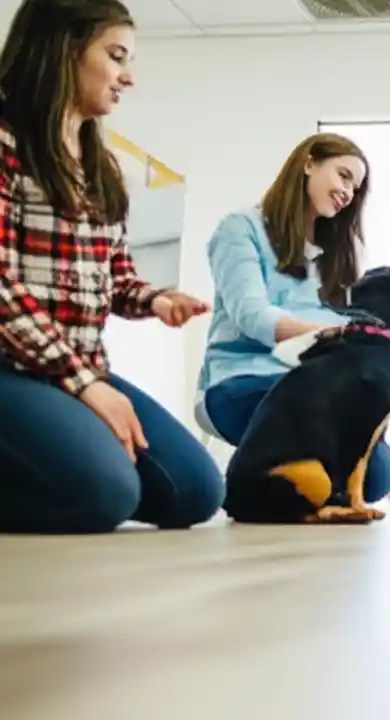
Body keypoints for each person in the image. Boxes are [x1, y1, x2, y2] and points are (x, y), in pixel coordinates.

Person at [0, 0, 223, 533]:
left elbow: (112, 274)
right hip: (14, 365)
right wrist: (84, 384)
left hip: (70, 366)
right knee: (104, 496)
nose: (128, 77)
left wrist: (154, 299)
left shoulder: (98, 164)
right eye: (116, 56)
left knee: (195, 491)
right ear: (64, 50)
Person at [195, 132, 390, 504]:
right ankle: (271, 484)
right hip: (244, 380)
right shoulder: (240, 229)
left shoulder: (337, 254)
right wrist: (337, 334)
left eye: (356, 187)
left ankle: (300, 486)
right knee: (331, 451)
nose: (349, 192)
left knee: (379, 474)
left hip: (313, 388)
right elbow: (252, 316)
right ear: (308, 163)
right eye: (343, 175)